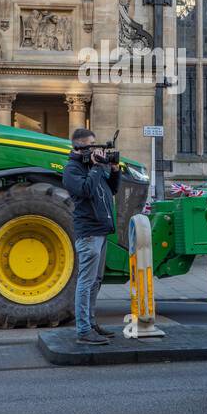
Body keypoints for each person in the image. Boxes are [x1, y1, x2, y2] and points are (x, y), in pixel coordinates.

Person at [62, 127, 120, 345]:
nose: (97, 150)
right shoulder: (72, 170)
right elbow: (85, 191)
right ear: (78, 148)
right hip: (88, 233)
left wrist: (114, 170)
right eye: (92, 146)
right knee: (85, 282)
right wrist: (96, 168)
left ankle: (91, 323)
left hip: (101, 231)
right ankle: (83, 330)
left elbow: (111, 190)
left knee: (96, 280)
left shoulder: (92, 167)